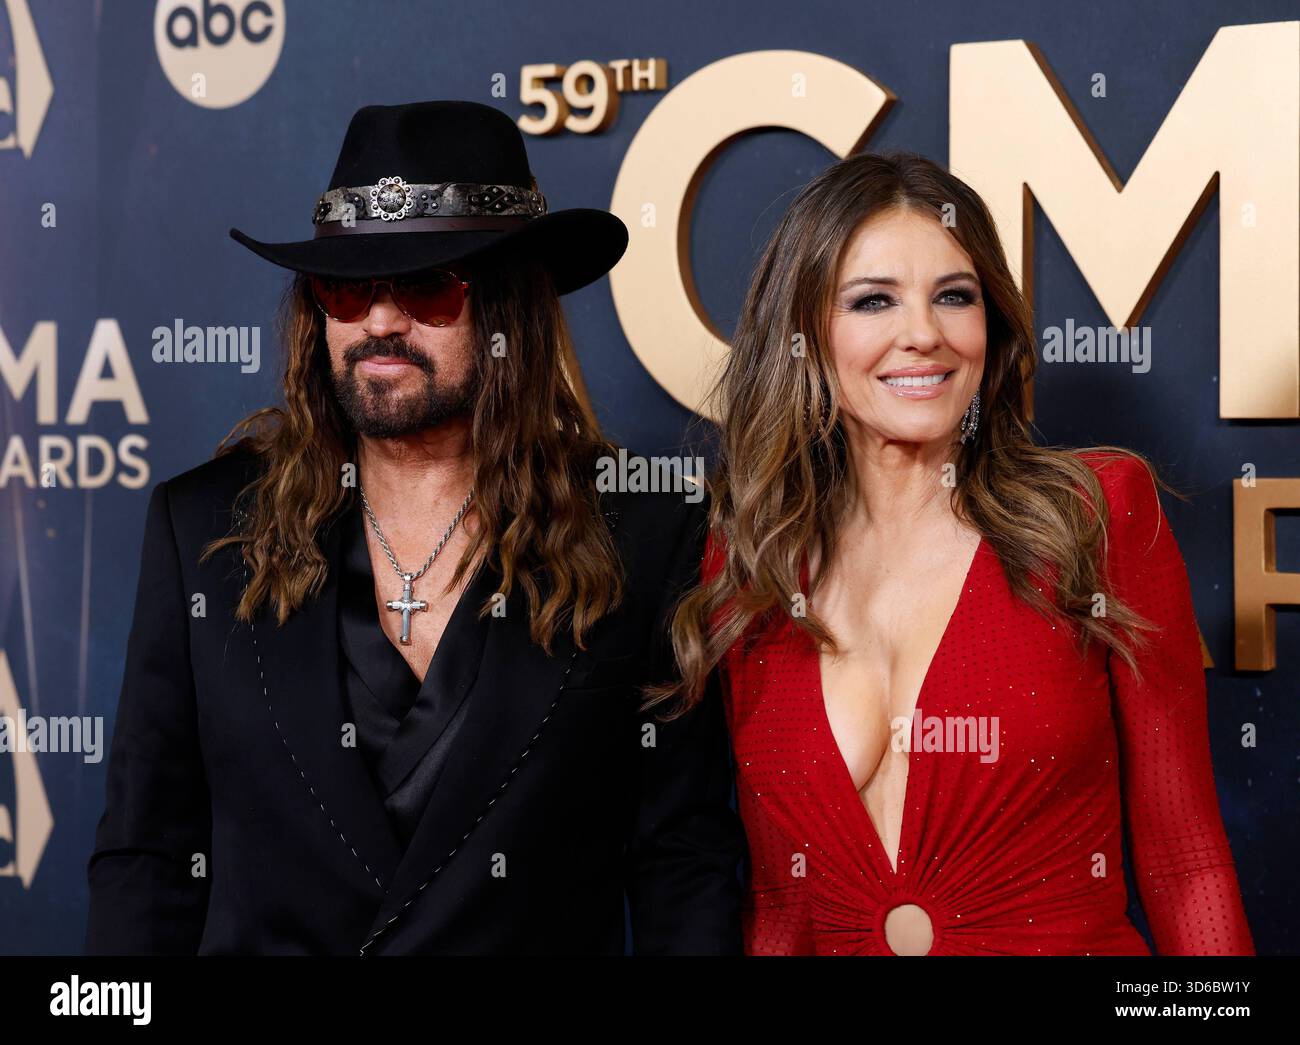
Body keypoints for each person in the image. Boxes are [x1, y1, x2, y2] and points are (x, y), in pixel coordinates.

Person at [85, 101, 743, 956]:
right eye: (350, 287)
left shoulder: (647, 536)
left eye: (430, 284)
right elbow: (148, 856)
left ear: (513, 309)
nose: (381, 321)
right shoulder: (206, 529)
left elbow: (681, 867)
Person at [652, 151, 1254, 956]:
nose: (924, 334)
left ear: (991, 322)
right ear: (803, 338)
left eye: (954, 297)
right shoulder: (750, 566)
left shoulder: (1093, 514)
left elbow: (1187, 861)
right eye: (874, 301)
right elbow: (778, 910)